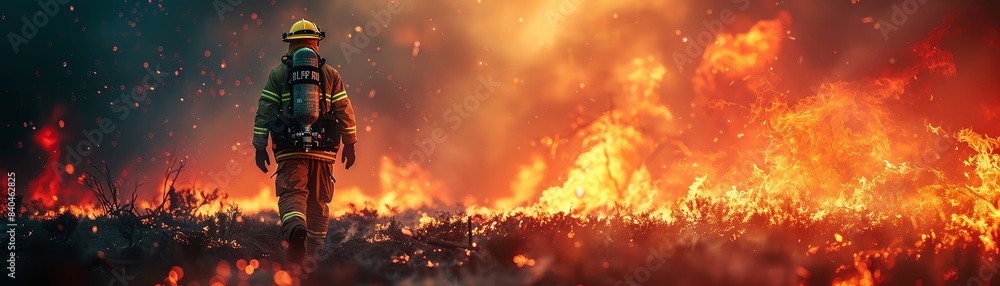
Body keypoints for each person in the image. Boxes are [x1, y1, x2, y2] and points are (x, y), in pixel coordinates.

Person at [252, 19, 358, 264]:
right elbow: (344, 109)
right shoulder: (330, 74)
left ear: (289, 42)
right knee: (319, 201)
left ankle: (295, 229)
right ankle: (314, 254)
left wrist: (260, 145)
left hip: (290, 149)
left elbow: (265, 110)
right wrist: (350, 143)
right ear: (316, 41)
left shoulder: (279, 73)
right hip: (323, 150)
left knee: (292, 194)